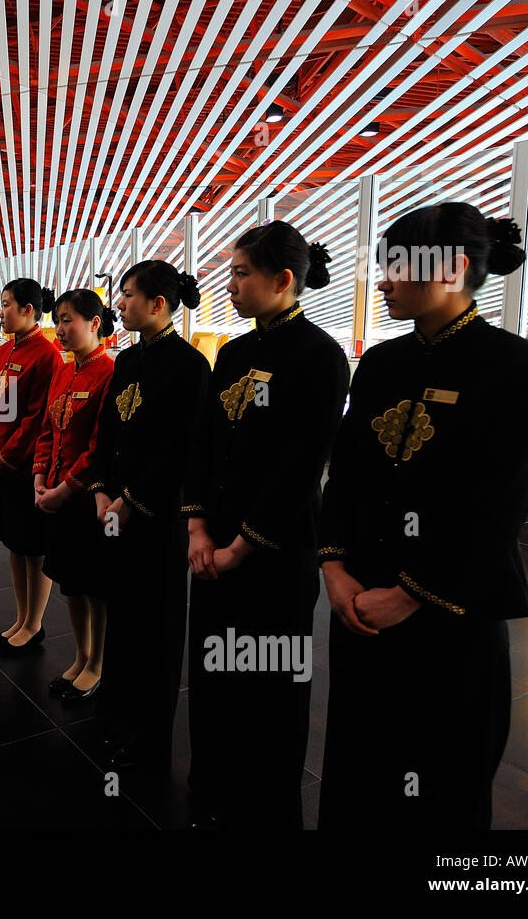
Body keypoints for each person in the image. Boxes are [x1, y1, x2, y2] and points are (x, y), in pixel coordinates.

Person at [317, 202, 528, 830]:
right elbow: (344, 476)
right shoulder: (381, 364)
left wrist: (412, 595)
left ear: (450, 268)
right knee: (356, 767)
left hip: (454, 614)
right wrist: (335, 569)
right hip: (360, 602)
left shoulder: (522, 369)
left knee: (441, 782)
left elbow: (498, 508)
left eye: (395, 265)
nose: (384, 280)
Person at [182, 221, 349, 829]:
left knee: (271, 687)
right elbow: (203, 445)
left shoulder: (320, 356)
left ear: (282, 280)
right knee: (212, 678)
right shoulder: (232, 351)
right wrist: (199, 529)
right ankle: (214, 792)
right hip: (214, 546)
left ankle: (267, 808)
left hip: (275, 554)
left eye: (240, 272)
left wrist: (242, 547)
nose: (229, 284)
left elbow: (300, 469)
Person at [86, 260, 209, 771]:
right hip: (114, 509)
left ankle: (150, 733)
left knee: (156, 627)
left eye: (129, 295)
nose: (120, 303)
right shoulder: (128, 361)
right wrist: (99, 490)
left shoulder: (189, 366)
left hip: (157, 518)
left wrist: (130, 500)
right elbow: (108, 433)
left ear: (158, 304)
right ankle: (116, 716)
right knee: (123, 617)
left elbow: (182, 450)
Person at [34, 288, 116, 699]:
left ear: (94, 323)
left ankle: (97, 662)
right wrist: (39, 476)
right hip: (54, 490)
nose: (60, 329)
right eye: (58, 320)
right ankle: (80, 655)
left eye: (68, 320)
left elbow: (99, 445)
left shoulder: (109, 372)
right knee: (69, 578)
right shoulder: (64, 371)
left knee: (93, 582)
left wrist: (66, 488)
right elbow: (49, 429)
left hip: (86, 497)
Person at [0, 279, 61, 652]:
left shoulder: (46, 355)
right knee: (13, 542)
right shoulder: (2, 351)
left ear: (28, 309)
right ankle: (21, 617)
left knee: (32, 545)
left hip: (25, 467)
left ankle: (35, 622)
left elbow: (36, 417)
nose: (2, 310)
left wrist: (7, 457)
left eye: (7, 304)